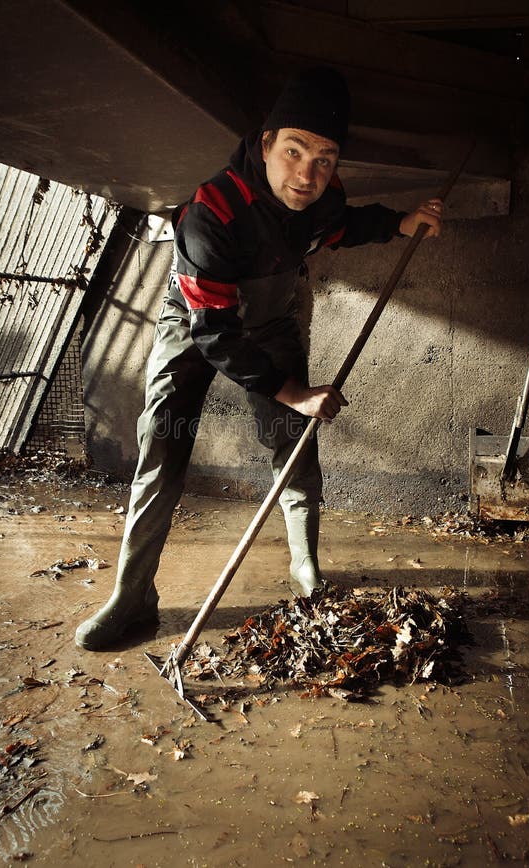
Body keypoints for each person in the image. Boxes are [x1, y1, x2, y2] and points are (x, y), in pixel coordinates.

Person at [76, 66, 442, 650]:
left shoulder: (324, 196)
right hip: (196, 325)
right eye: (294, 151)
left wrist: (400, 223)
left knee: (294, 441)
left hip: (270, 321)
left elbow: (342, 226)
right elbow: (216, 336)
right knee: (163, 445)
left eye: (324, 159)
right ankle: (132, 593)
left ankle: (305, 565)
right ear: (266, 143)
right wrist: (293, 392)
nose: (307, 175)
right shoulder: (211, 212)